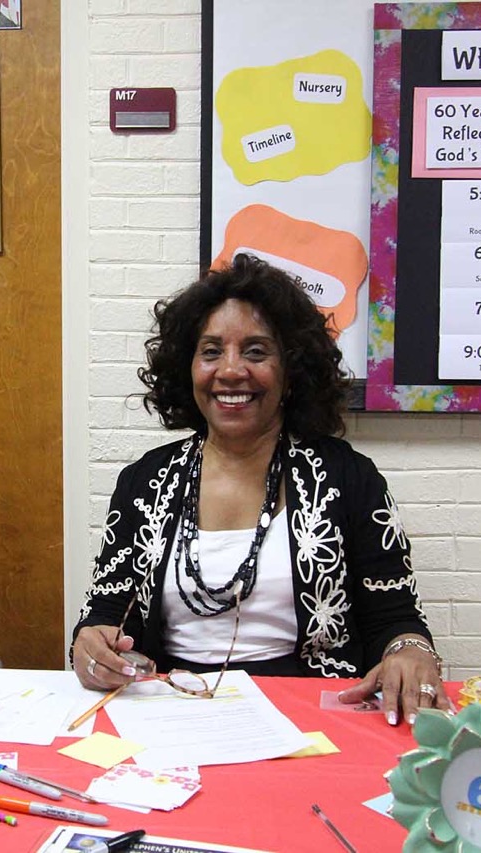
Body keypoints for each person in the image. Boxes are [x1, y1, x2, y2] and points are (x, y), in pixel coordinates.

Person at [71, 254, 448, 726]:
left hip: (312, 717)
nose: (230, 371)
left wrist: (410, 652)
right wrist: (91, 644)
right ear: (187, 369)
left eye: (255, 352)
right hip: (169, 710)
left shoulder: (349, 479)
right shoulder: (145, 483)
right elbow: (106, 612)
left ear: (291, 370)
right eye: (211, 352)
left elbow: (394, 618)